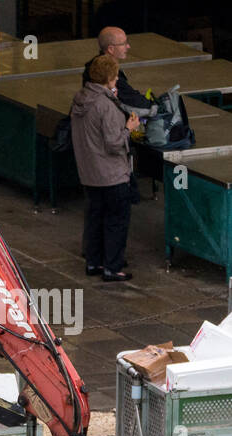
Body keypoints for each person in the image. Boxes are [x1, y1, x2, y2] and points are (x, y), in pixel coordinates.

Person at [71, 54, 140, 283]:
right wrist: (129, 127)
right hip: (111, 174)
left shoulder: (81, 98)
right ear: (110, 78)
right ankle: (112, 267)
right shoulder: (105, 106)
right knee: (116, 221)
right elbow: (113, 143)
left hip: (88, 173)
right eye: (116, 75)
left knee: (94, 218)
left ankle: (93, 262)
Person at [81, 27, 156, 113]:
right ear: (111, 49)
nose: (128, 46)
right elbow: (134, 101)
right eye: (123, 44)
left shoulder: (94, 65)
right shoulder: (108, 74)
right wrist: (155, 104)